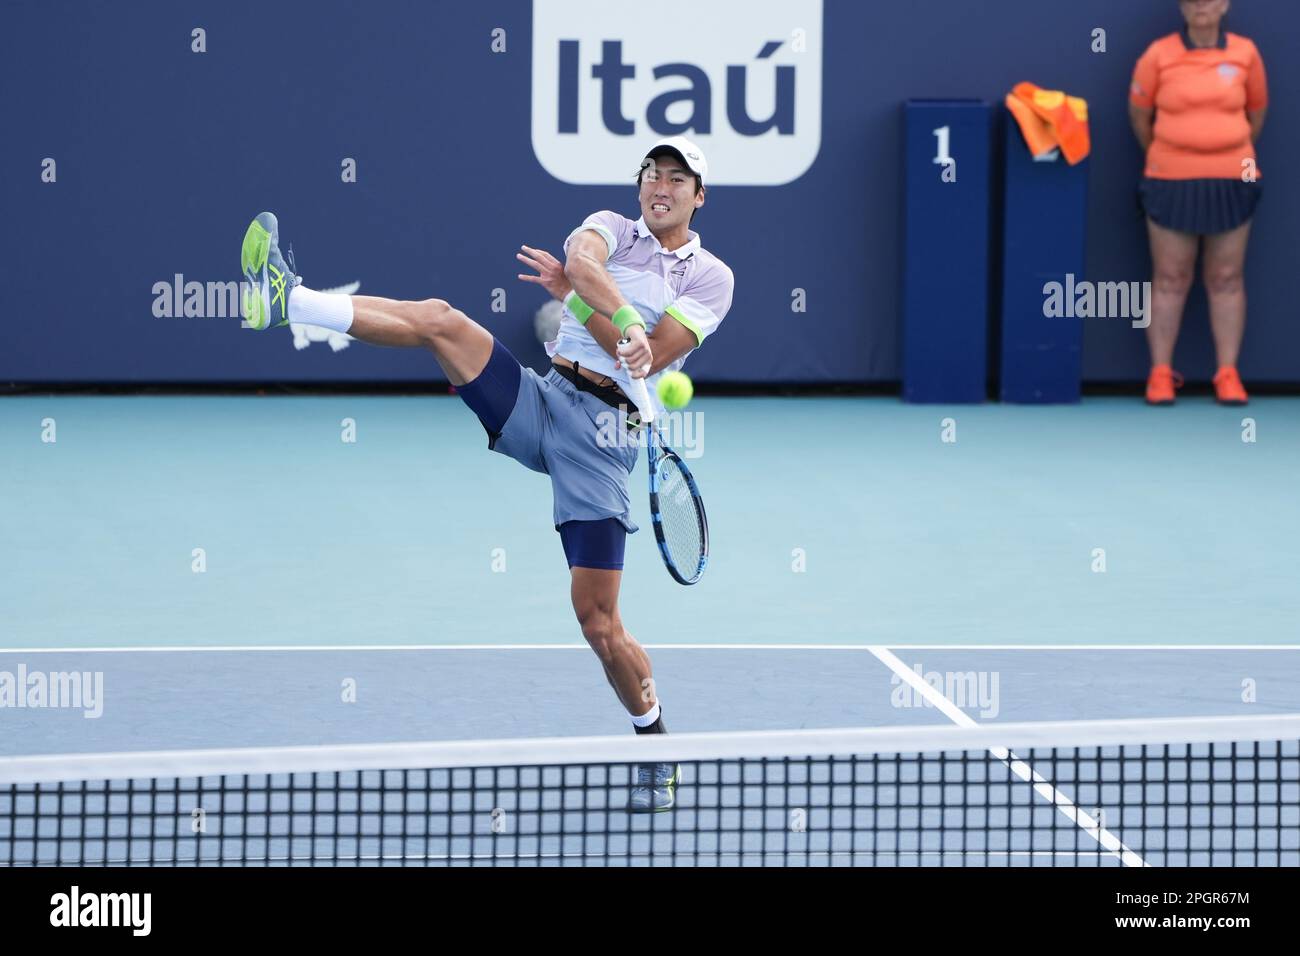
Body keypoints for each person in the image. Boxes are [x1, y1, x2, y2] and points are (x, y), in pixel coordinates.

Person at [237, 136, 733, 811]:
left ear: (698, 197)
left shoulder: (712, 278)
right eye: (653, 172)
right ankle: (291, 301)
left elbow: (653, 354)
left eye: (678, 178)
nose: (661, 185)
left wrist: (592, 310)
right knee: (442, 320)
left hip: (604, 443)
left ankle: (655, 741)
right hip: (545, 397)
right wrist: (612, 312)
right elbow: (581, 264)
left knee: (598, 623)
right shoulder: (611, 228)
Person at [1128, 0, 1267, 405]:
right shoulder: (1157, 54)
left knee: (1227, 277)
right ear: (1181, 7)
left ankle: (1227, 374)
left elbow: (1256, 113)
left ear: (1225, 5)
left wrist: (1222, 150)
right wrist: (1176, 152)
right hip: (1169, 178)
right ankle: (1159, 374)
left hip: (1234, 178)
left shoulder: (1246, 53)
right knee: (1170, 277)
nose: (1200, 5)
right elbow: (1140, 117)